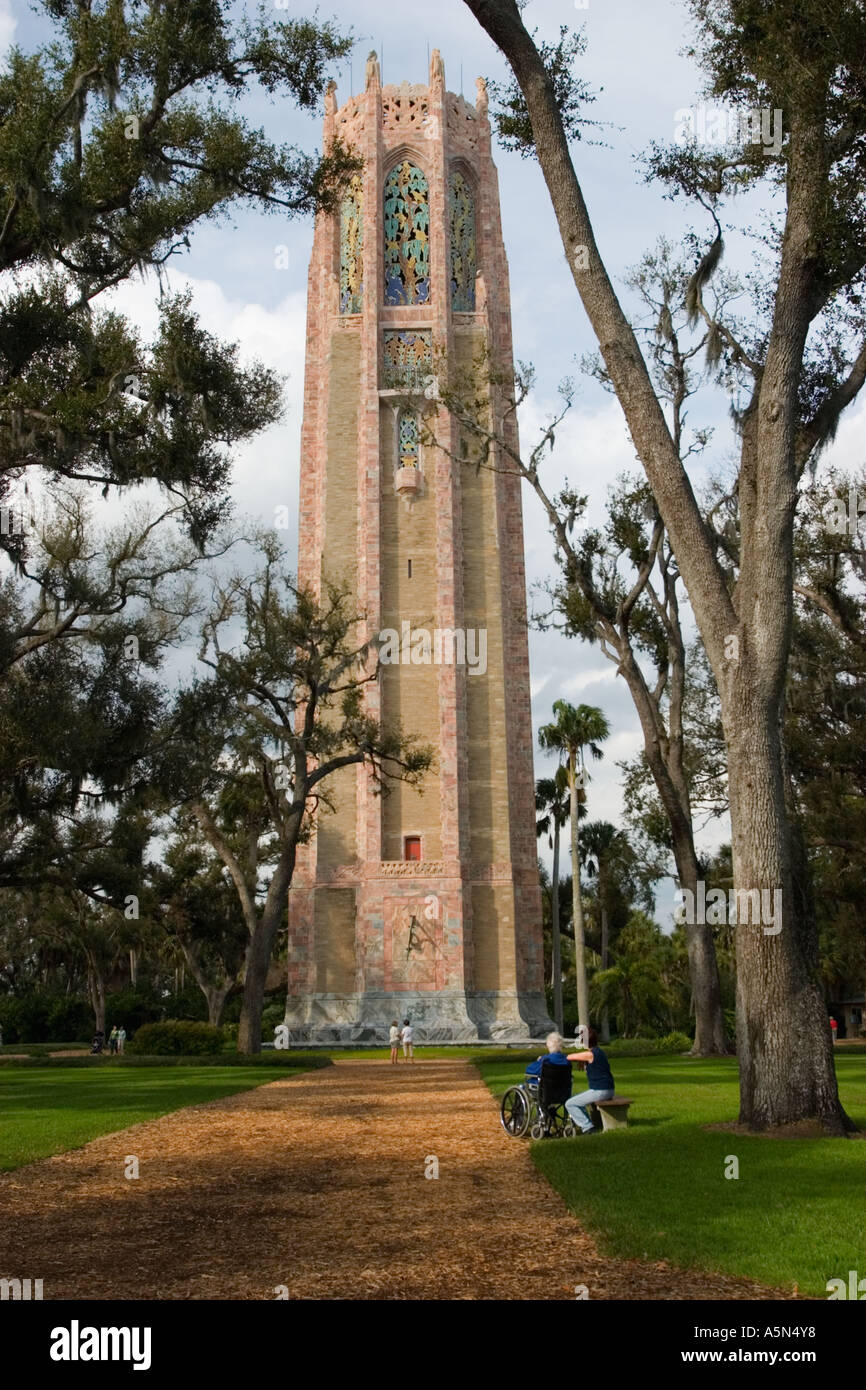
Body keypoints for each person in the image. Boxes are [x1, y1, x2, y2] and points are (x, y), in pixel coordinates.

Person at [565, 1028, 615, 1134]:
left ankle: (588, 1128)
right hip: (608, 1089)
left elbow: (569, 1057)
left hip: (600, 1090)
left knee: (570, 1103)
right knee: (576, 1099)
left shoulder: (590, 1054)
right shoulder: (599, 1052)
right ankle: (588, 1123)